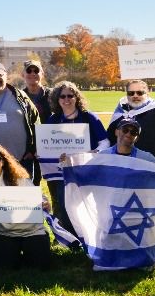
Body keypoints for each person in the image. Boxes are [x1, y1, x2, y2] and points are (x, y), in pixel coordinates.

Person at [40, 81, 107, 243]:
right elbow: (47, 146)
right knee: (64, 205)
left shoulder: (89, 117)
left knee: (86, 205)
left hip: (86, 169)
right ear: (57, 99)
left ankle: (91, 237)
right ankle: (69, 238)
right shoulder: (54, 119)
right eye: (62, 96)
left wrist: (94, 153)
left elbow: (105, 141)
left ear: (76, 97)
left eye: (70, 95)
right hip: (63, 171)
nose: (66, 99)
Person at [0, 143, 51, 270]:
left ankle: (40, 242)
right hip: (4, 232)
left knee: (40, 267)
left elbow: (39, 197)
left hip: (31, 231)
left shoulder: (20, 179)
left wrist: (45, 204)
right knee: (7, 266)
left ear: (4, 161)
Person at [106, 78, 155, 164]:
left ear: (147, 94)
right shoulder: (120, 112)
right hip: (123, 165)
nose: (135, 96)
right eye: (131, 93)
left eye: (139, 93)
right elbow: (109, 138)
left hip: (151, 165)